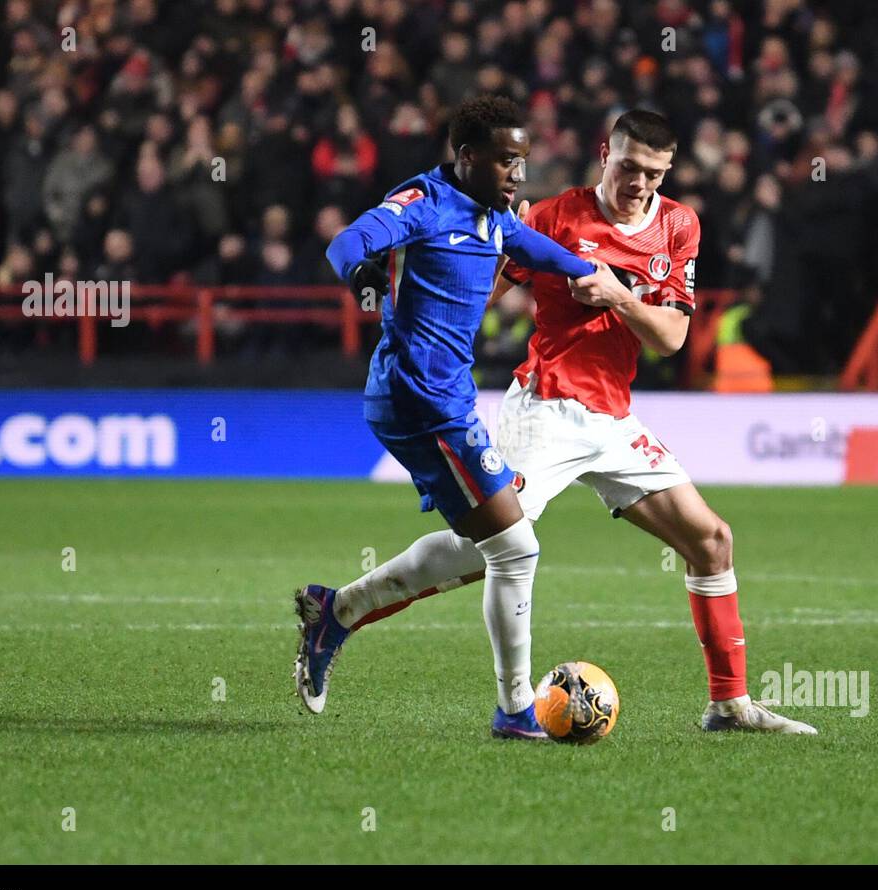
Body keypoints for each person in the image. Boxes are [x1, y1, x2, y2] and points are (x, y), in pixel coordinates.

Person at [312, 110, 816, 736]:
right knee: (488, 550)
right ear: (606, 154)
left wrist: (620, 297)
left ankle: (730, 704)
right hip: (546, 407)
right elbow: (481, 285)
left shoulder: (679, 225)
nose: (639, 183)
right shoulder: (549, 216)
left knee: (711, 541)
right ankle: (347, 607)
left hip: (613, 417)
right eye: (629, 166)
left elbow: (672, 339)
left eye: (654, 174)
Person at [299, 95, 597, 739]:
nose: (518, 174)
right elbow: (347, 242)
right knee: (515, 548)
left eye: (523, 160)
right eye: (504, 161)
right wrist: (367, 275)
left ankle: (338, 610)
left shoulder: (494, 217)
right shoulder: (426, 202)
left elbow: (535, 248)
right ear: (466, 158)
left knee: (481, 544)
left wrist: (594, 272)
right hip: (416, 400)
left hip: (448, 401)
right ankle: (515, 709)